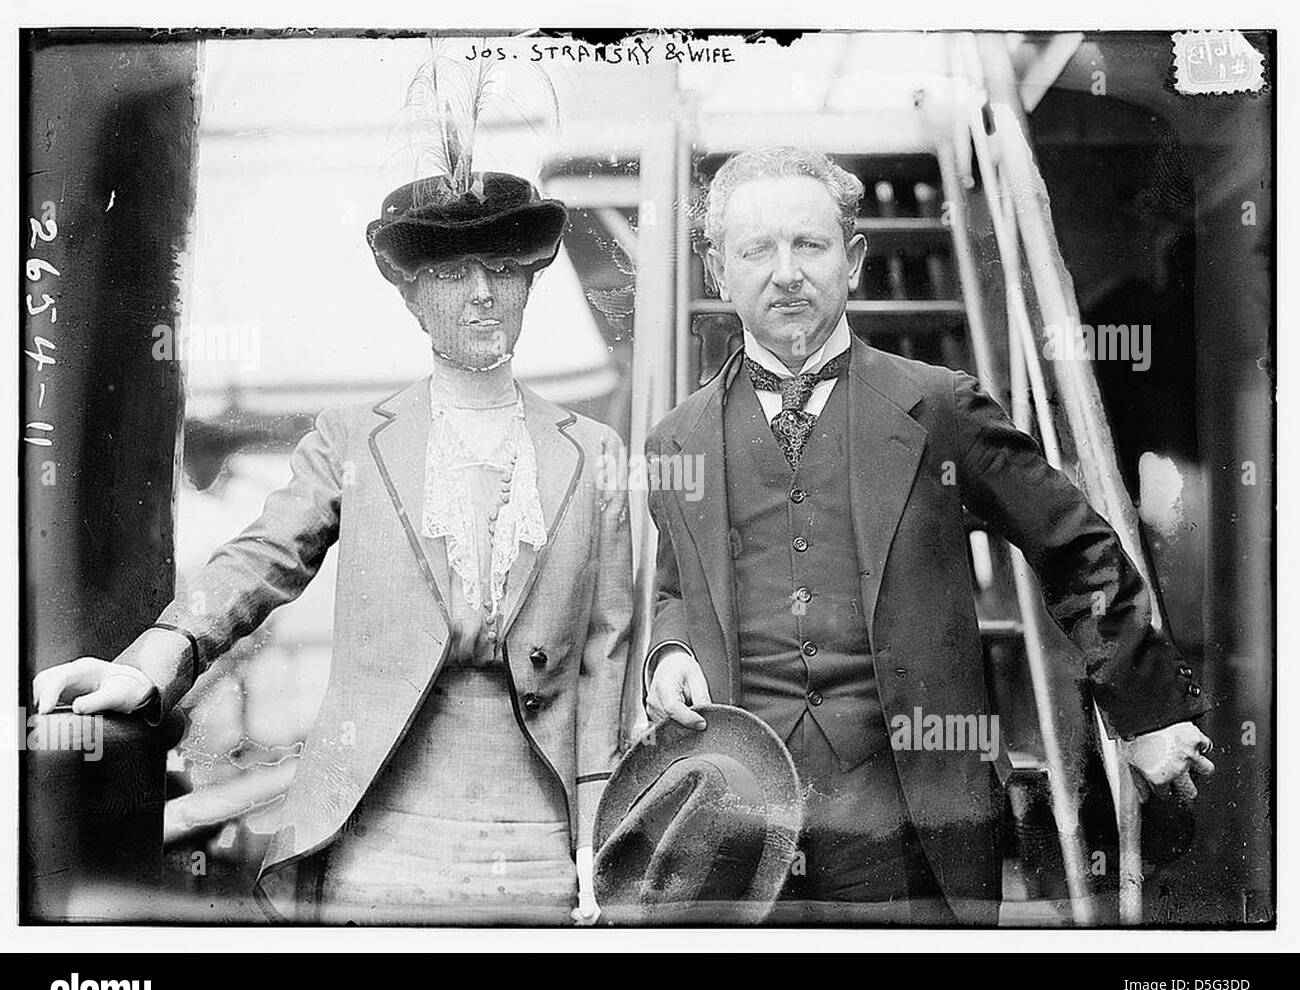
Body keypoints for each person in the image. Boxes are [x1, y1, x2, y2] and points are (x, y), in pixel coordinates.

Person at [33, 171, 633, 925]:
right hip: (381, 825)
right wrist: (148, 665)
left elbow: (604, 658)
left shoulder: (593, 452)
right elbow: (261, 558)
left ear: (529, 283)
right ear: (412, 297)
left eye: (504, 268)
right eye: (450, 273)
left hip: (539, 834)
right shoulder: (353, 436)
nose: (482, 292)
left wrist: (595, 846)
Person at [641, 146, 1214, 925]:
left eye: (809, 245)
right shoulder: (677, 441)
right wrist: (669, 648)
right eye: (755, 250)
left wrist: (1143, 709)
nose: (785, 272)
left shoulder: (940, 406)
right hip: (745, 830)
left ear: (854, 260)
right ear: (716, 269)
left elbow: (1075, 546)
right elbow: (680, 584)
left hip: (914, 823)